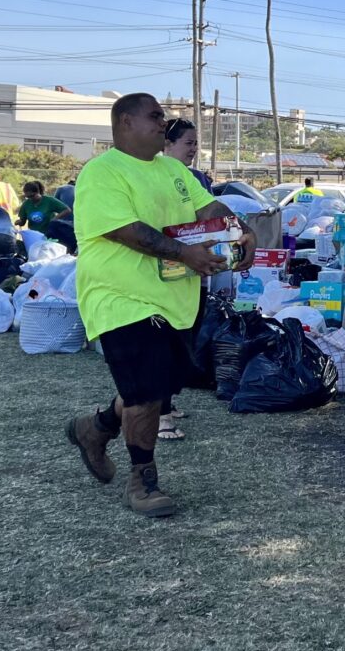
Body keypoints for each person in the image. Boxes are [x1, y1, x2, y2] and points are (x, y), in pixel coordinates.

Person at [64, 93, 256, 517]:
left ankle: (95, 428)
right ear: (125, 122)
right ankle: (143, 481)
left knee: (157, 384)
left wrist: (242, 231)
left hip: (174, 297)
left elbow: (211, 208)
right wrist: (184, 254)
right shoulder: (101, 172)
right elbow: (127, 231)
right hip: (120, 297)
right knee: (149, 390)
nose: (162, 123)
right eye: (154, 116)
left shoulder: (172, 169)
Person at [163, 118, 215, 193]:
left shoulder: (198, 177)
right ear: (168, 143)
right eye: (189, 143)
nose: (194, 149)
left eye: (195, 144)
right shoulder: (151, 177)